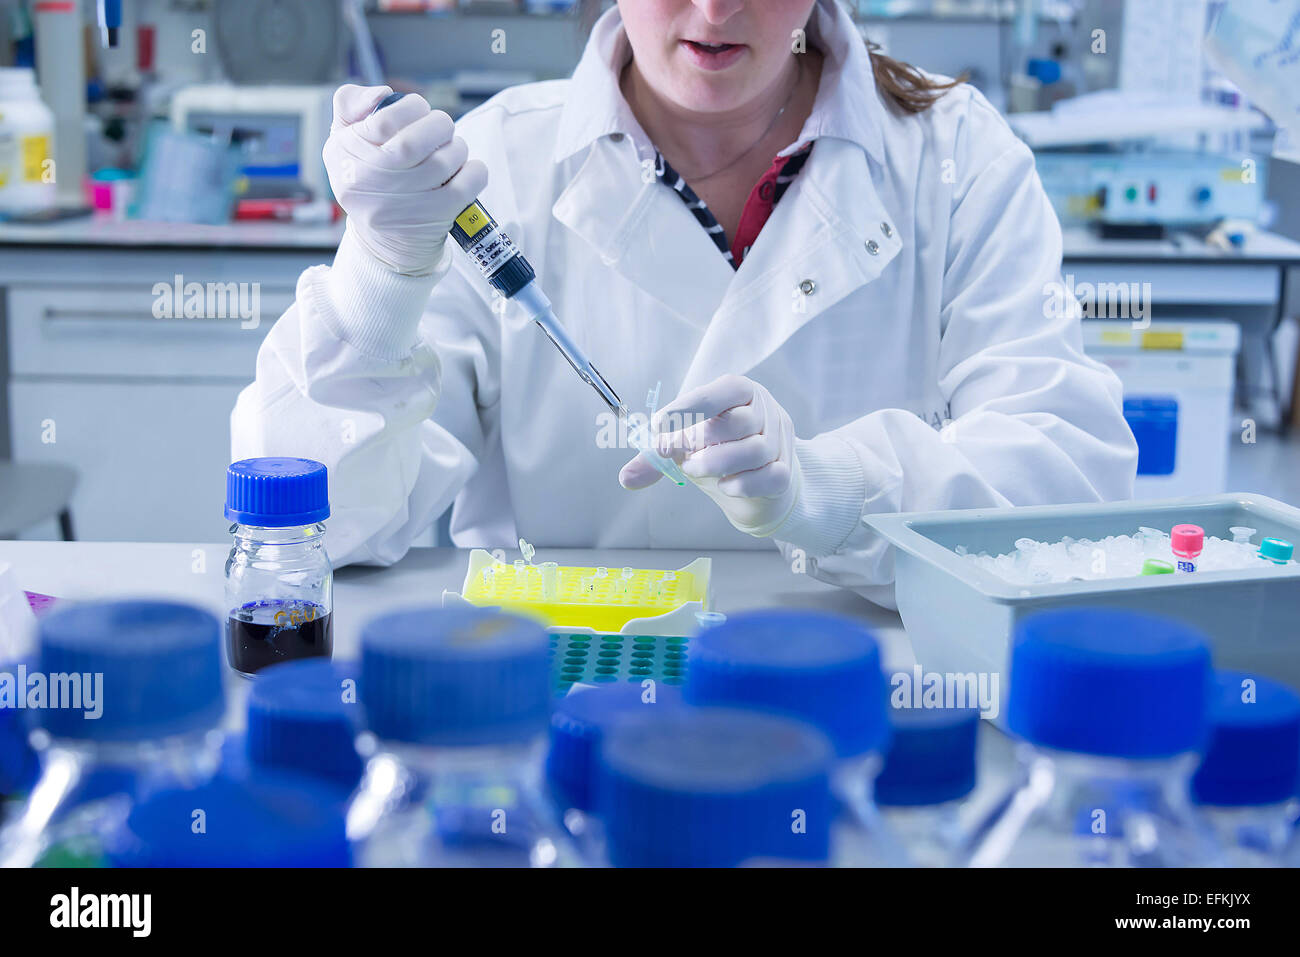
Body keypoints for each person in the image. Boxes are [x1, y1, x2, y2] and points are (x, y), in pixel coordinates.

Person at [231, 0, 1136, 608]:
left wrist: (841, 491)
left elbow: (1065, 487)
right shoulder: (496, 161)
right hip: (555, 688)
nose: (712, 9)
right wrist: (383, 270)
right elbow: (312, 527)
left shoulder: (955, 160)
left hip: (864, 689)